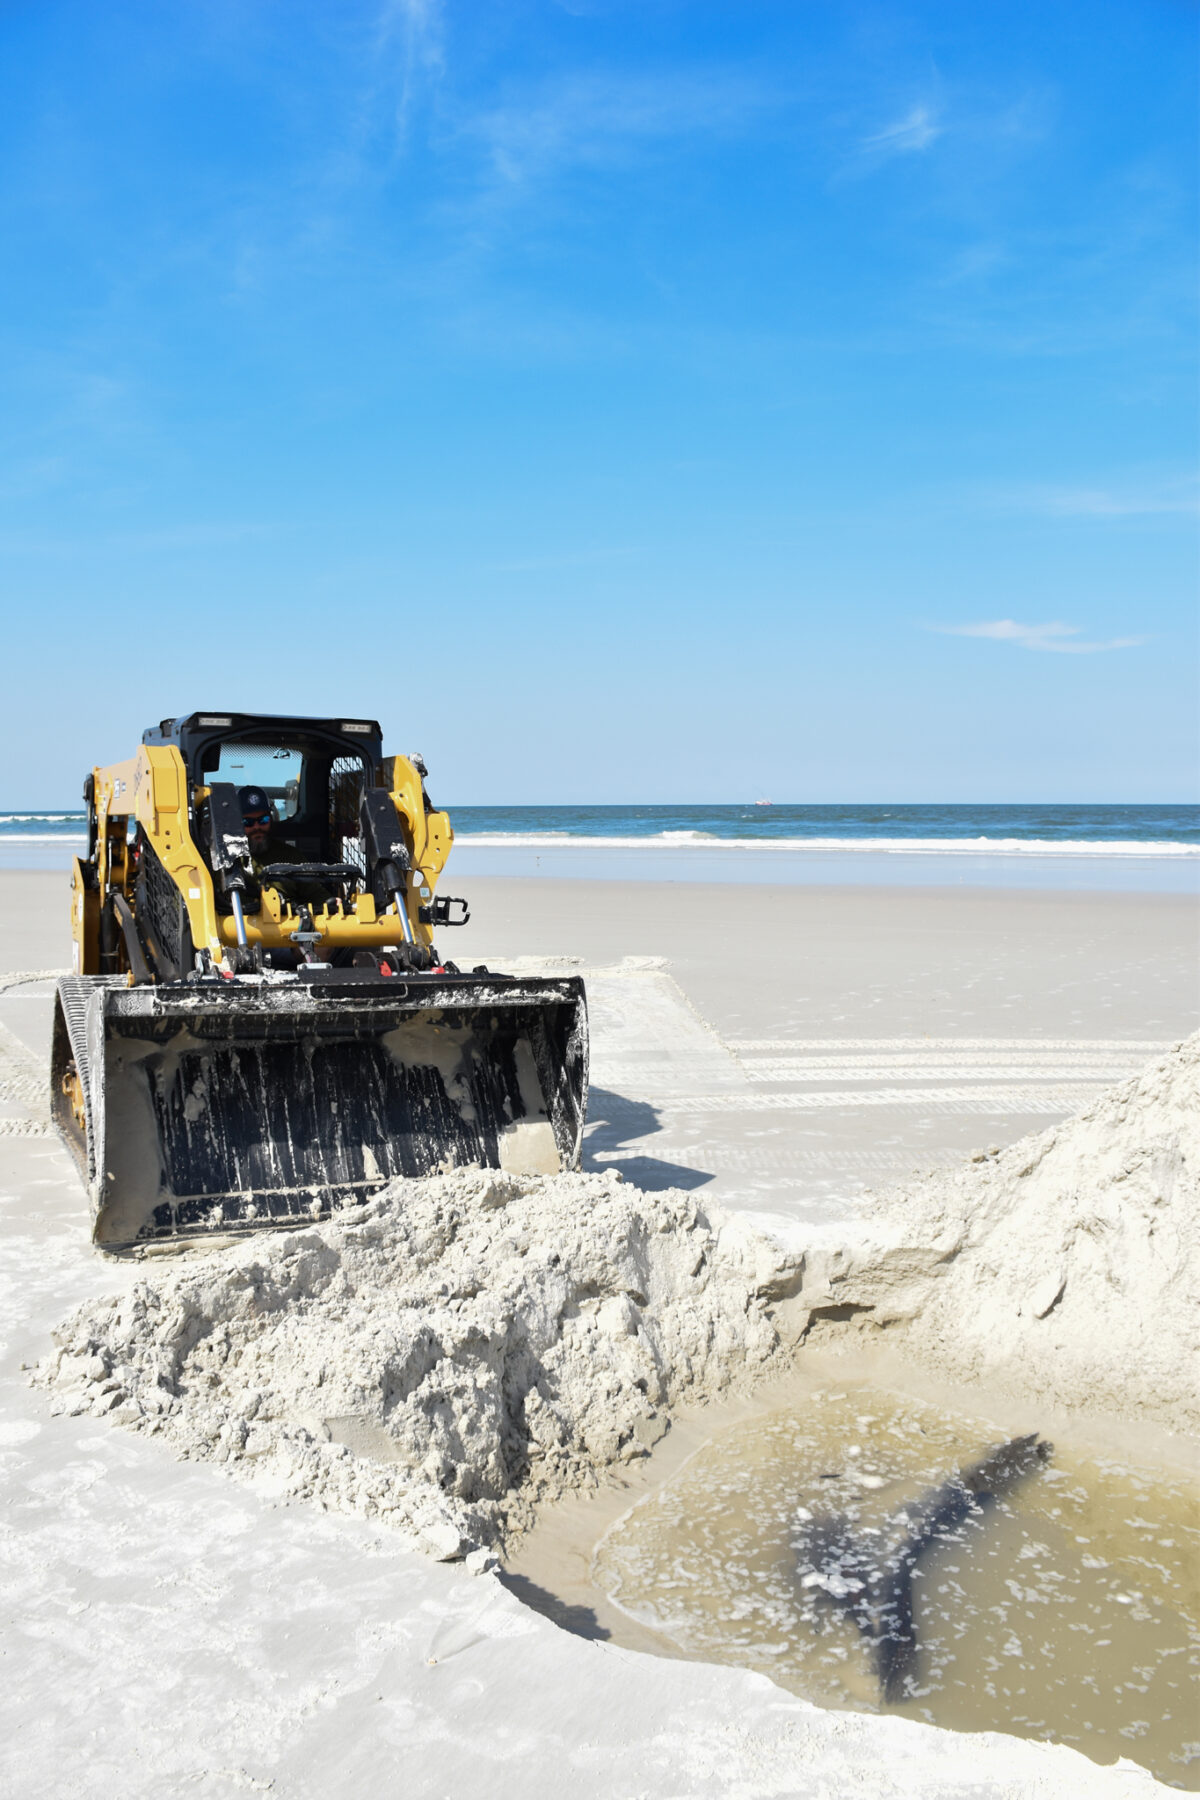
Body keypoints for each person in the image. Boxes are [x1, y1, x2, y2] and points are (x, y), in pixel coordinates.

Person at [237, 785, 332, 910]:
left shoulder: (291, 856)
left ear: (271, 819)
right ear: (236, 823)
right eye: (248, 822)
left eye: (263, 820)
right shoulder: (226, 860)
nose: (256, 827)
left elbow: (315, 894)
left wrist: (332, 904)